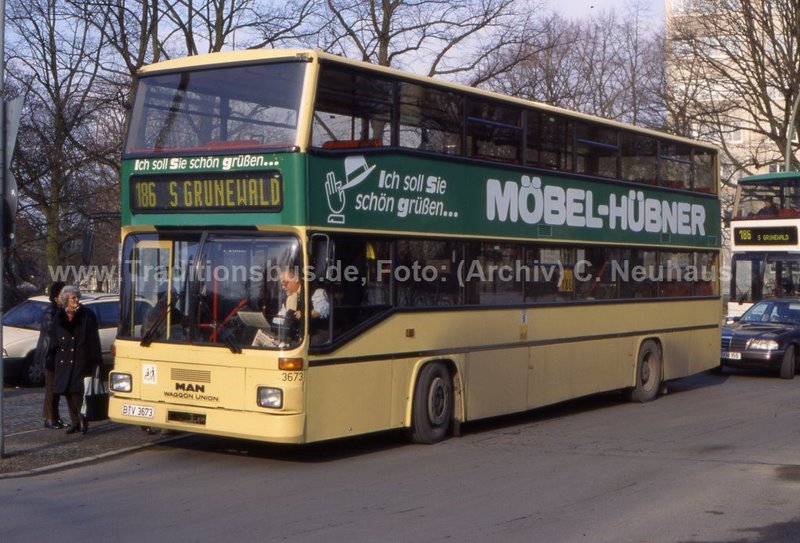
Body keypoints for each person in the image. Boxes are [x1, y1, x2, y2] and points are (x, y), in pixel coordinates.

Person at [46, 285, 102, 435]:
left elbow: (93, 338)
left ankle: (83, 420)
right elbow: (53, 335)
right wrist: (54, 349)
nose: (76, 300)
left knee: (78, 392)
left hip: (80, 358)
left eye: (77, 297)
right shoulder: (59, 316)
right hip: (63, 358)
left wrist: (96, 359)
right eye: (73, 298)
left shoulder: (86, 315)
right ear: (66, 300)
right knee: (67, 391)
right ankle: (75, 422)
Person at [35, 281, 65, 429]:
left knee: (57, 389)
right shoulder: (51, 312)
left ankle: (56, 417)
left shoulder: (59, 310)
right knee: (51, 389)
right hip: (49, 356)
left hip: (56, 355)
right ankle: (49, 418)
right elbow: (52, 330)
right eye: (62, 295)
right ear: (56, 297)